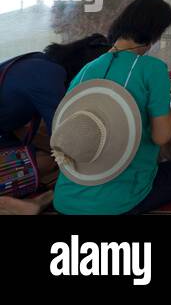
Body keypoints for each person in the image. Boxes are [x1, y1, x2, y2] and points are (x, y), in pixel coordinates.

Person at [52, 0, 171, 215]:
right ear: (154, 34)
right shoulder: (152, 69)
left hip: (65, 201)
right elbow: (161, 137)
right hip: (118, 202)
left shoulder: (86, 70)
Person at [0, 34, 111, 215]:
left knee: (46, 157)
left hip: (6, 133)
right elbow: (66, 139)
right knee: (49, 161)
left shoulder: (40, 61)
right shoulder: (49, 80)